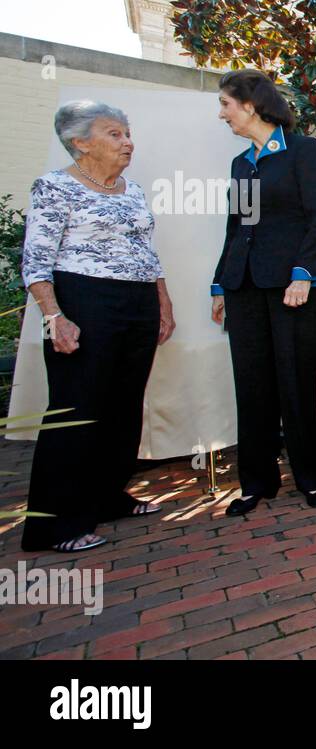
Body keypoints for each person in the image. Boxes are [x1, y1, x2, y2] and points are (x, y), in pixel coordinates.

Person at [19, 101, 176, 552]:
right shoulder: (54, 188)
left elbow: (148, 252)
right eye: (114, 134)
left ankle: (107, 497)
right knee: (76, 411)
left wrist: (162, 303)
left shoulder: (133, 191)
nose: (127, 142)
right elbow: (36, 261)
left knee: (123, 406)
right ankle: (56, 525)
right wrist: (54, 316)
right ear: (80, 142)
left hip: (137, 302)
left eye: (127, 133)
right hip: (83, 301)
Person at [209, 69, 316, 516]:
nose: (221, 113)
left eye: (226, 104)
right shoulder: (242, 163)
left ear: (251, 104)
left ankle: (310, 479)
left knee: (297, 384)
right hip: (245, 287)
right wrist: (221, 283)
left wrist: (303, 273)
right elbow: (237, 225)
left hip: (296, 289)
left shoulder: (304, 151)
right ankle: (256, 482)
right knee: (252, 384)